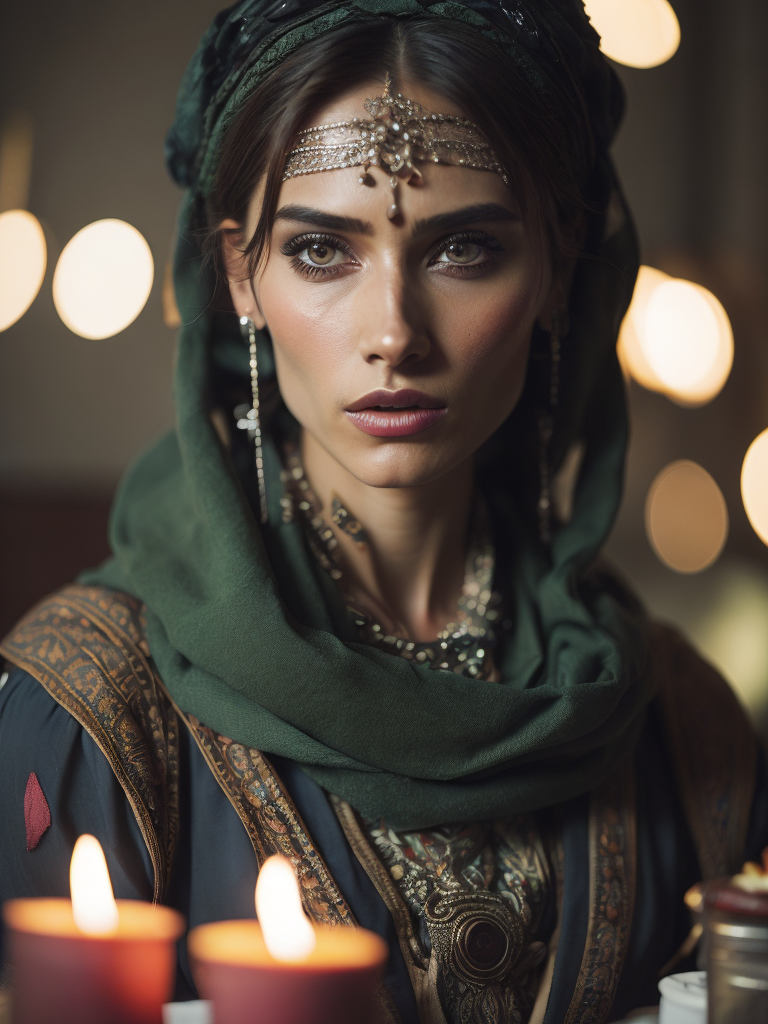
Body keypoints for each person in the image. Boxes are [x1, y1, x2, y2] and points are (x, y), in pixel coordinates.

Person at [1, 2, 765, 1021]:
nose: (393, 332)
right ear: (241, 273)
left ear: (558, 264)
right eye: (323, 251)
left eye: (465, 250)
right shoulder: (92, 713)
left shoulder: (681, 726)